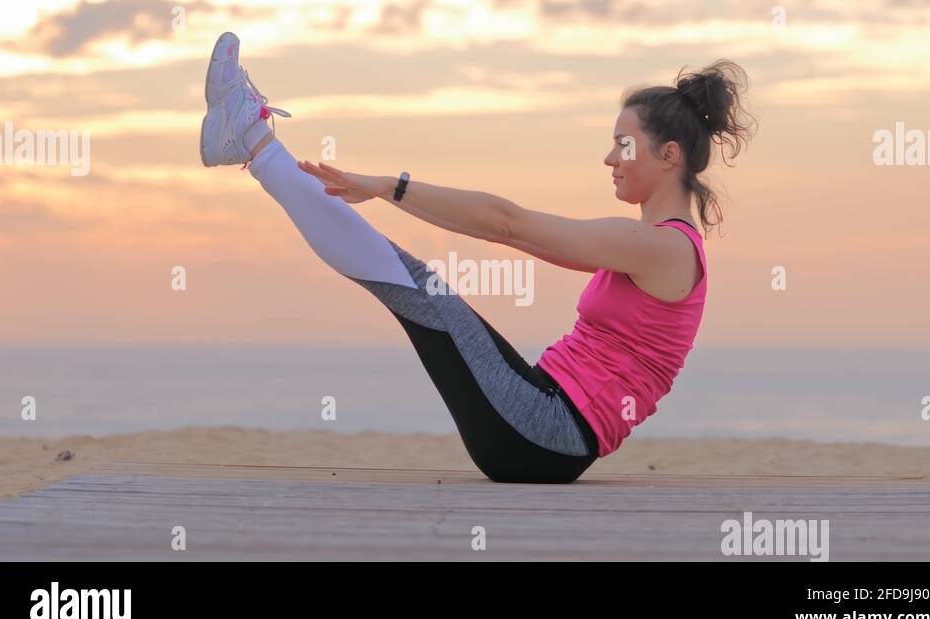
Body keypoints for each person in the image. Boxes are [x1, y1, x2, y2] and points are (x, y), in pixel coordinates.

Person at [200, 32, 755, 483]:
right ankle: (249, 138)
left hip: (542, 432)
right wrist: (389, 192)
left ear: (669, 156)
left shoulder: (661, 247)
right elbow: (509, 232)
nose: (610, 157)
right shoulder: (654, 245)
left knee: (415, 285)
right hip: (540, 420)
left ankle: (249, 136)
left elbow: (505, 221)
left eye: (624, 145)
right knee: (414, 286)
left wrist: (388, 186)